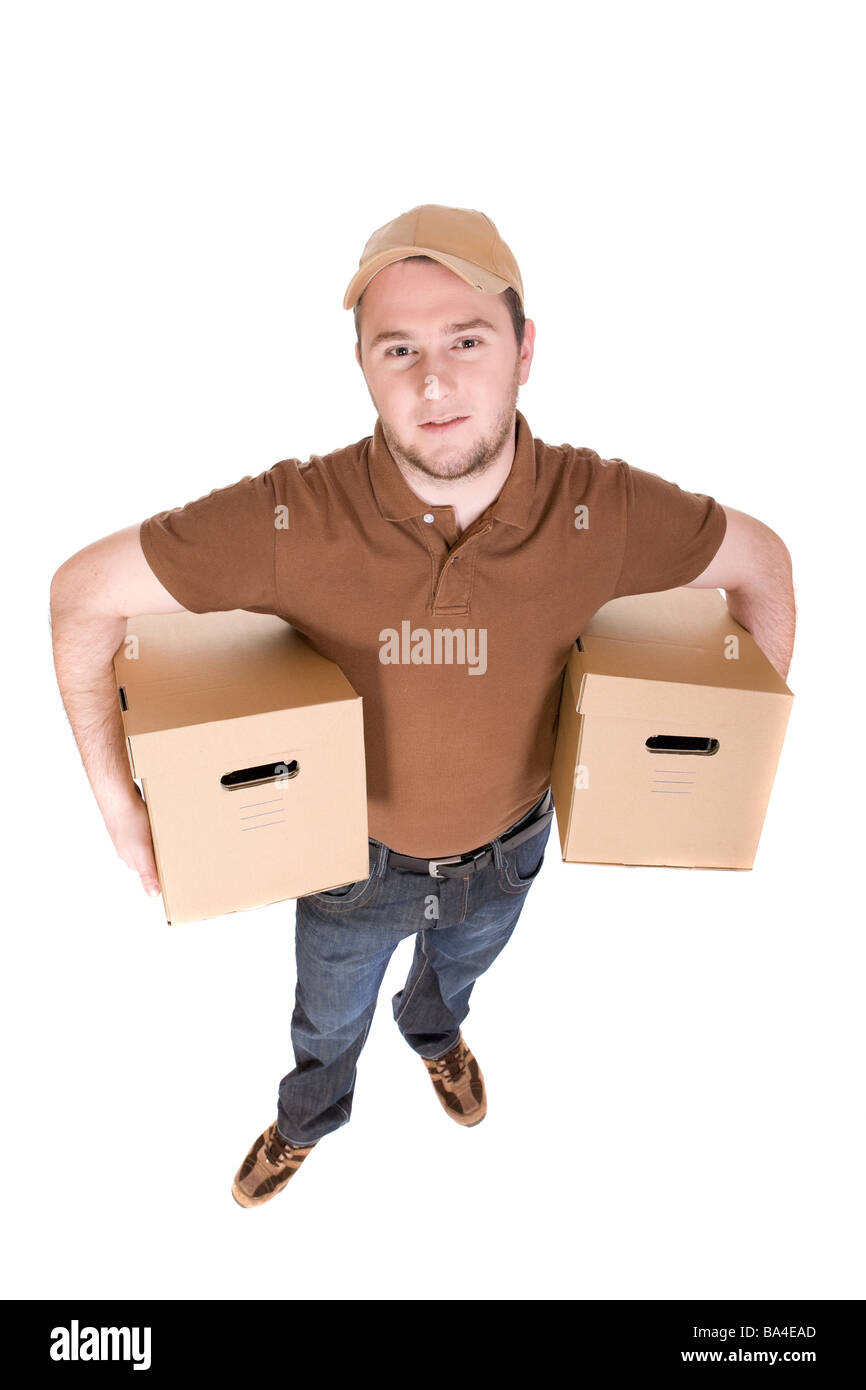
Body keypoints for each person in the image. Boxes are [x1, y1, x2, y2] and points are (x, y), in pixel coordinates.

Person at [49, 204, 795, 1209]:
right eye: (396, 348)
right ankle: (309, 1115)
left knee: (456, 975)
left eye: (466, 341)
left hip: (509, 849)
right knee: (325, 1015)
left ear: (524, 351)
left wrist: (735, 750)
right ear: (360, 364)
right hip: (349, 864)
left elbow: (762, 565)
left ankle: (435, 1037)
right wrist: (116, 802)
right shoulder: (290, 519)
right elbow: (83, 593)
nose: (433, 382)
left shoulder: (603, 511)